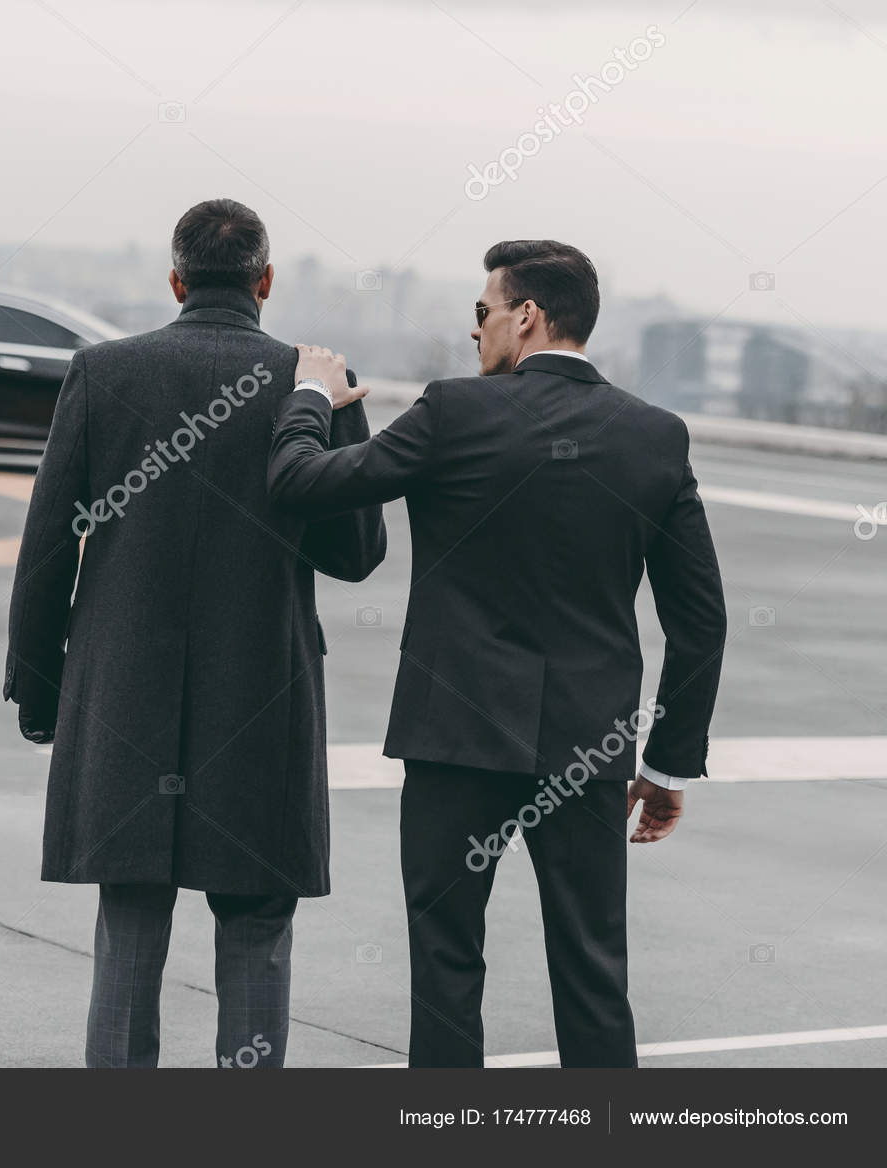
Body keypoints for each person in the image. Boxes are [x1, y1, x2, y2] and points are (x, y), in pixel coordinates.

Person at [268, 240, 727, 1068]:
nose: (473, 330)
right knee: (592, 973)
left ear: (526, 316)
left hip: (454, 737)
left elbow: (300, 482)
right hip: (586, 749)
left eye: (482, 312)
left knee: (445, 964)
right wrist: (667, 766)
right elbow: (702, 621)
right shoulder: (656, 437)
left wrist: (313, 396)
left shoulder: (454, 412)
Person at [5, 198, 386, 1067]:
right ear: (267, 280)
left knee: (129, 933)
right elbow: (357, 554)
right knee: (256, 931)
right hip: (263, 697)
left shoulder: (103, 372)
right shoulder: (312, 379)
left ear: (175, 279)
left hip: (122, 699)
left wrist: (38, 694)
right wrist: (330, 412)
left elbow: (46, 550)